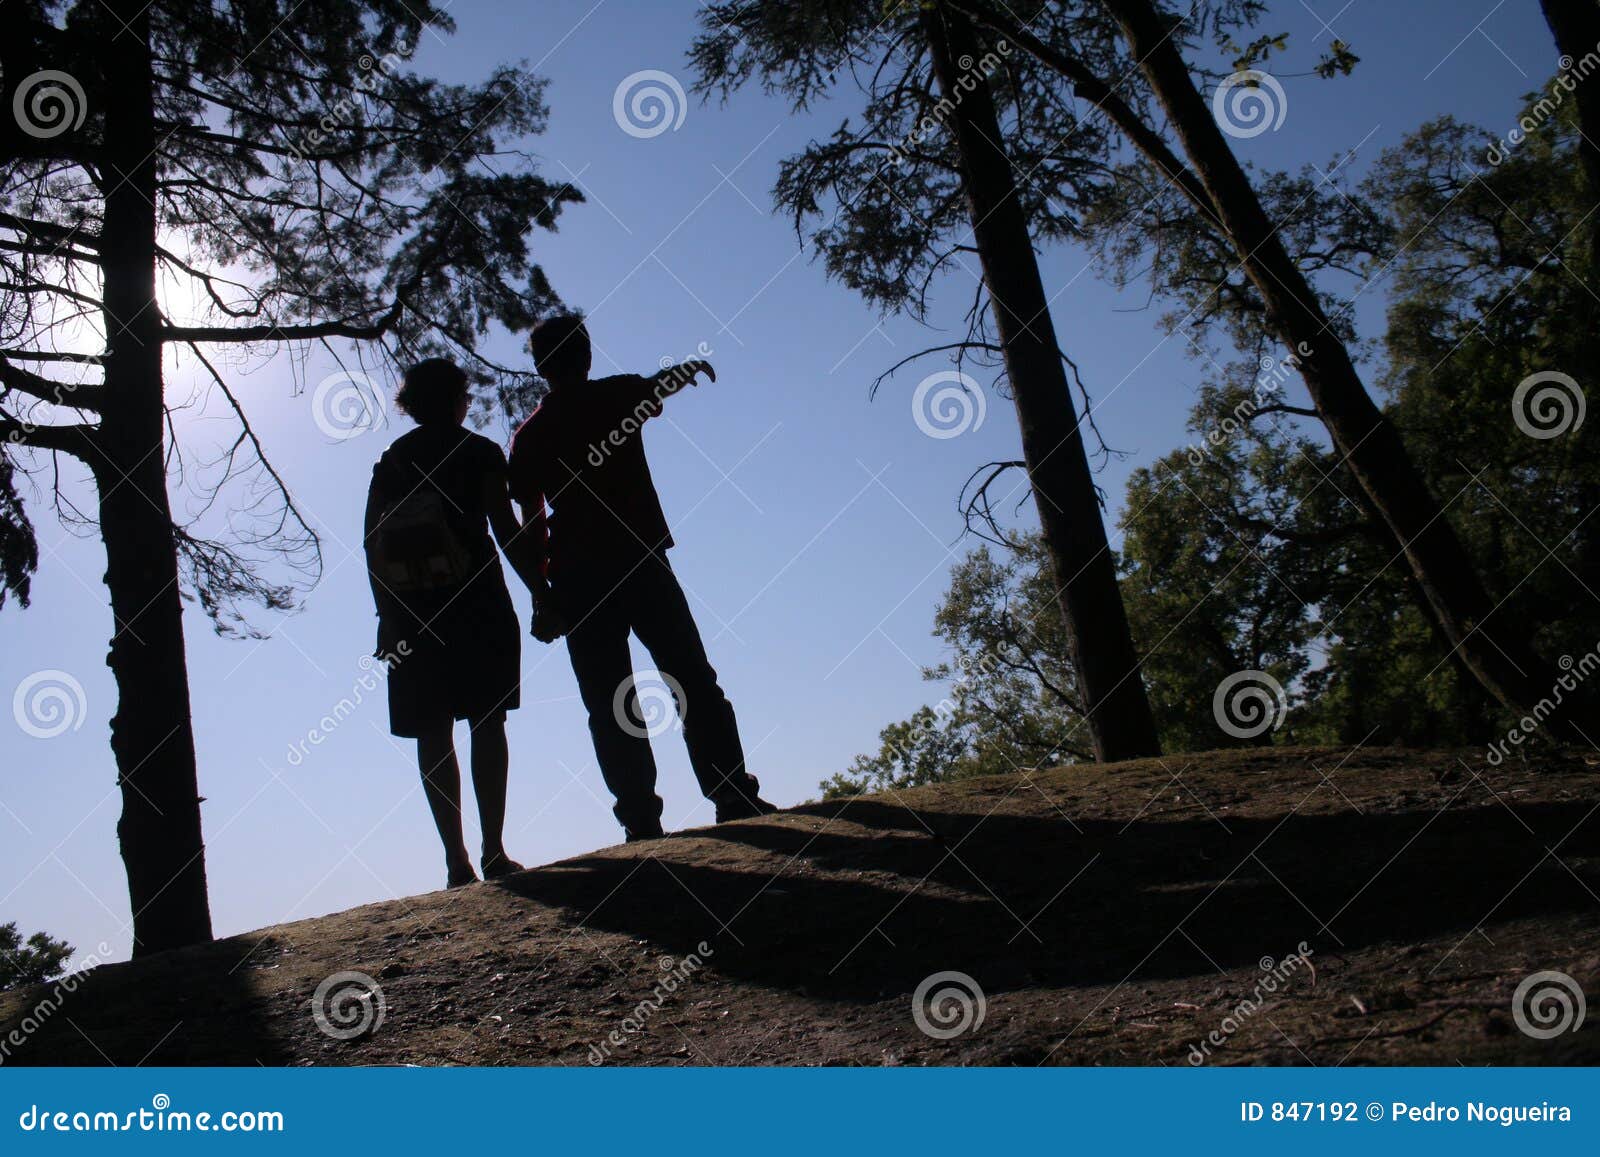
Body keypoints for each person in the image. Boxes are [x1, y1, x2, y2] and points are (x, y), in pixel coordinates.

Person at [508, 315, 775, 841]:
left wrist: (541, 593)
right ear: (585, 355)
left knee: (612, 701)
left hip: (580, 575)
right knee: (690, 678)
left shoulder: (532, 434)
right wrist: (686, 371)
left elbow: (532, 520)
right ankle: (729, 794)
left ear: (540, 366)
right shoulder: (615, 395)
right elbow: (657, 385)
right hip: (638, 559)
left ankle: (641, 819)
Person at [364, 358, 559, 888]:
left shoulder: (392, 460)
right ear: (456, 400)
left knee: (433, 731)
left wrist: (387, 618)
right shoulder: (479, 452)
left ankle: (456, 861)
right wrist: (540, 591)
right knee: (487, 721)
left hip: (413, 611)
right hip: (478, 602)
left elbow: (371, 543)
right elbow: (505, 529)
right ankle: (494, 850)